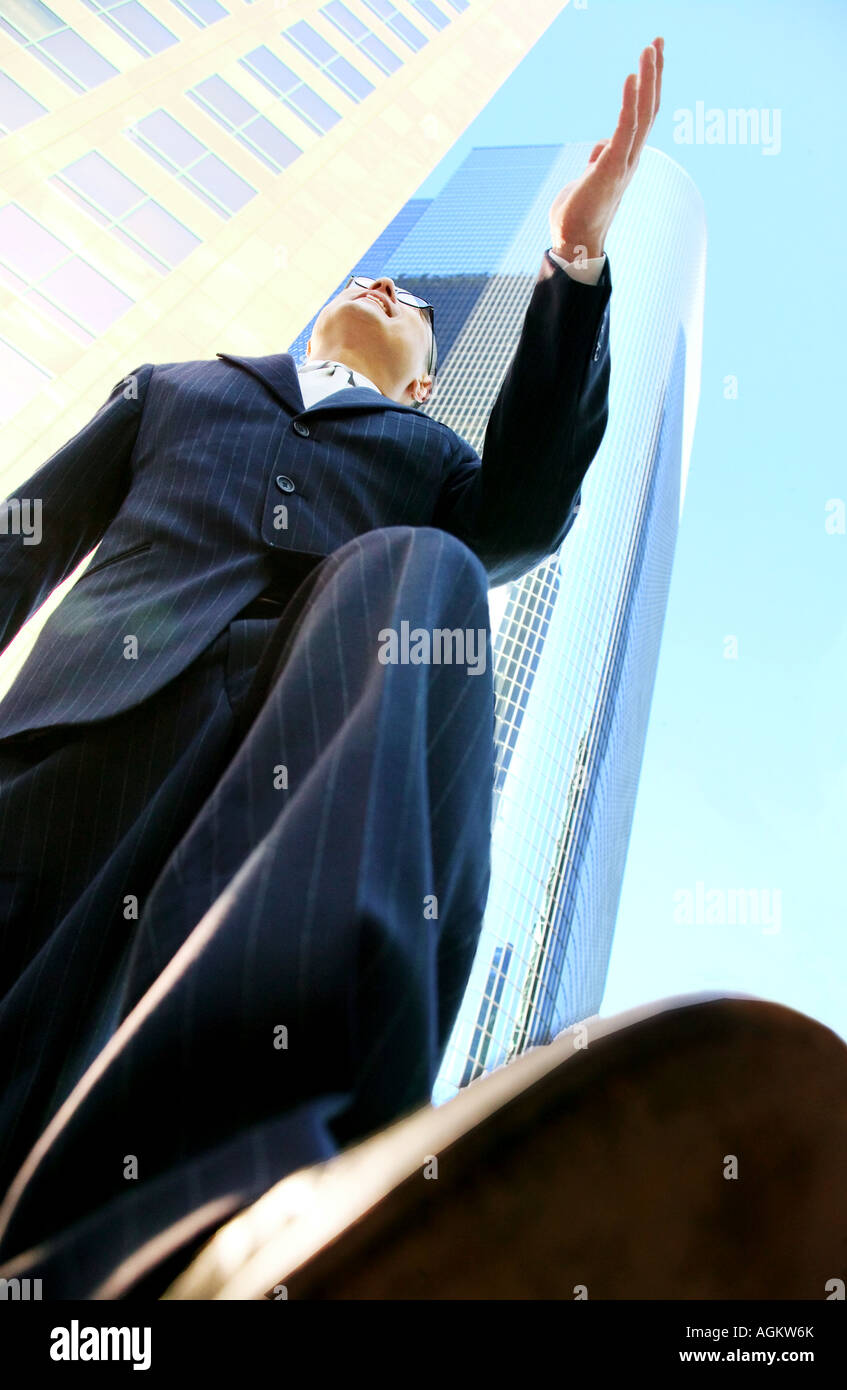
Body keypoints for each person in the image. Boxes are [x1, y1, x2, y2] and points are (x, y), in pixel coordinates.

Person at [0, 40, 664, 1298]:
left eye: (417, 304)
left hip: (280, 802)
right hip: (62, 765)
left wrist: (576, 260)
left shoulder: (430, 465)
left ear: (424, 378)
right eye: (374, 278)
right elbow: (18, 546)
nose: (390, 282)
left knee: (427, 574)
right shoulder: (184, 387)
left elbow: (524, 506)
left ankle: (268, 1207)